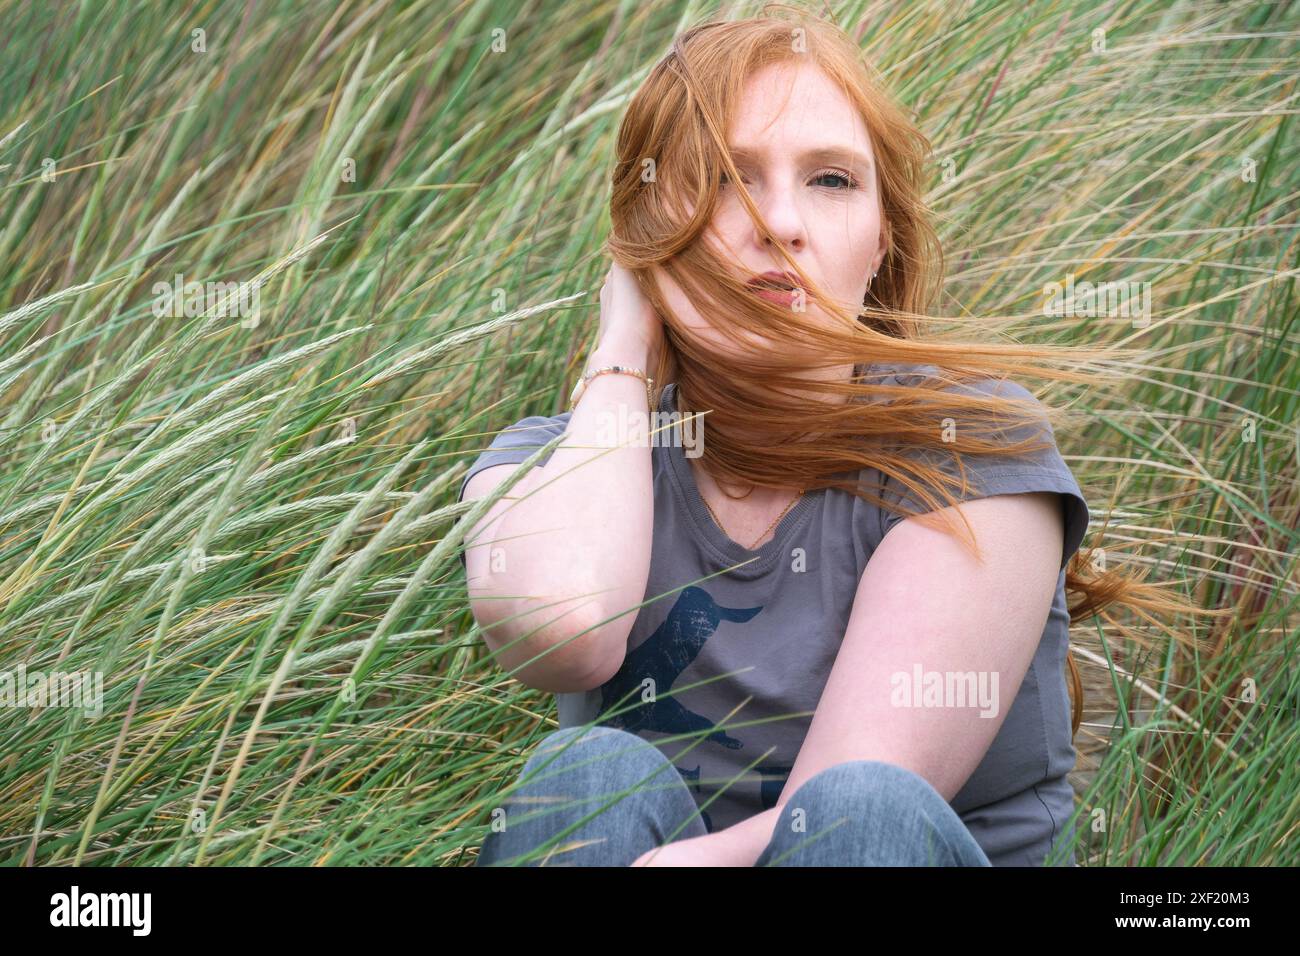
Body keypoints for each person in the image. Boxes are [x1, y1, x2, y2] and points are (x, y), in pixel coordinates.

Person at [458, 7, 1196, 867]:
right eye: (727, 176)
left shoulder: (972, 442)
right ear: (648, 226)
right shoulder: (548, 465)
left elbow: (844, 814)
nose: (780, 223)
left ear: (881, 241)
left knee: (860, 808)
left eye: (832, 181)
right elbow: (570, 632)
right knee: (586, 775)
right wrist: (623, 347)